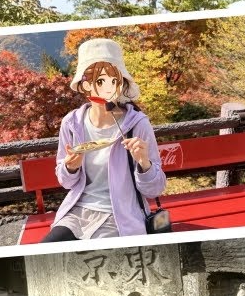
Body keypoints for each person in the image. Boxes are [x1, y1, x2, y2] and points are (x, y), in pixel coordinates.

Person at [40, 38, 167, 242]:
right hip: (77, 213)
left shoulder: (137, 125)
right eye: (98, 81)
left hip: (120, 216)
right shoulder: (72, 124)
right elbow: (65, 182)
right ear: (85, 86)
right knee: (47, 250)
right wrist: (71, 167)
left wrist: (144, 163)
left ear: (121, 84)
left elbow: (155, 189)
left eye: (112, 81)